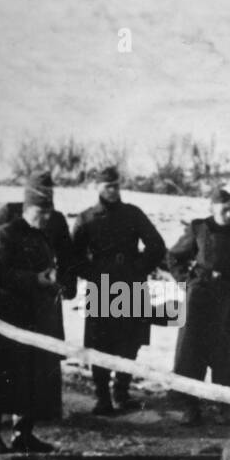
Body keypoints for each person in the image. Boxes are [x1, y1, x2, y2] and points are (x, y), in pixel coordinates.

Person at [70, 165, 165, 415]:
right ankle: (102, 398)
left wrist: (139, 267)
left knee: (130, 341)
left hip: (131, 285)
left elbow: (157, 245)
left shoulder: (133, 214)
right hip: (101, 288)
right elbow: (73, 256)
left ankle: (121, 393)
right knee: (99, 342)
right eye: (107, 186)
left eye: (115, 185)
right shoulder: (87, 218)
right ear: (98, 188)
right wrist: (93, 273)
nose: (112, 191)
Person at [167, 188, 230, 426]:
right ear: (212, 208)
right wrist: (187, 283)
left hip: (229, 301)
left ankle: (223, 406)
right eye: (224, 210)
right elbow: (174, 256)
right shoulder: (199, 228)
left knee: (227, 355)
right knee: (191, 354)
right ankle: (190, 407)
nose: (229, 214)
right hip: (199, 299)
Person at [0, 186, 64, 452]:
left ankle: (23, 434)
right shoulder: (4, 233)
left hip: (33, 317)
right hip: (5, 315)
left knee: (29, 378)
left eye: (49, 211)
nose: (47, 217)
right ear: (27, 209)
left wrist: (53, 281)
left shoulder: (42, 237)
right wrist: (34, 279)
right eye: (41, 211)